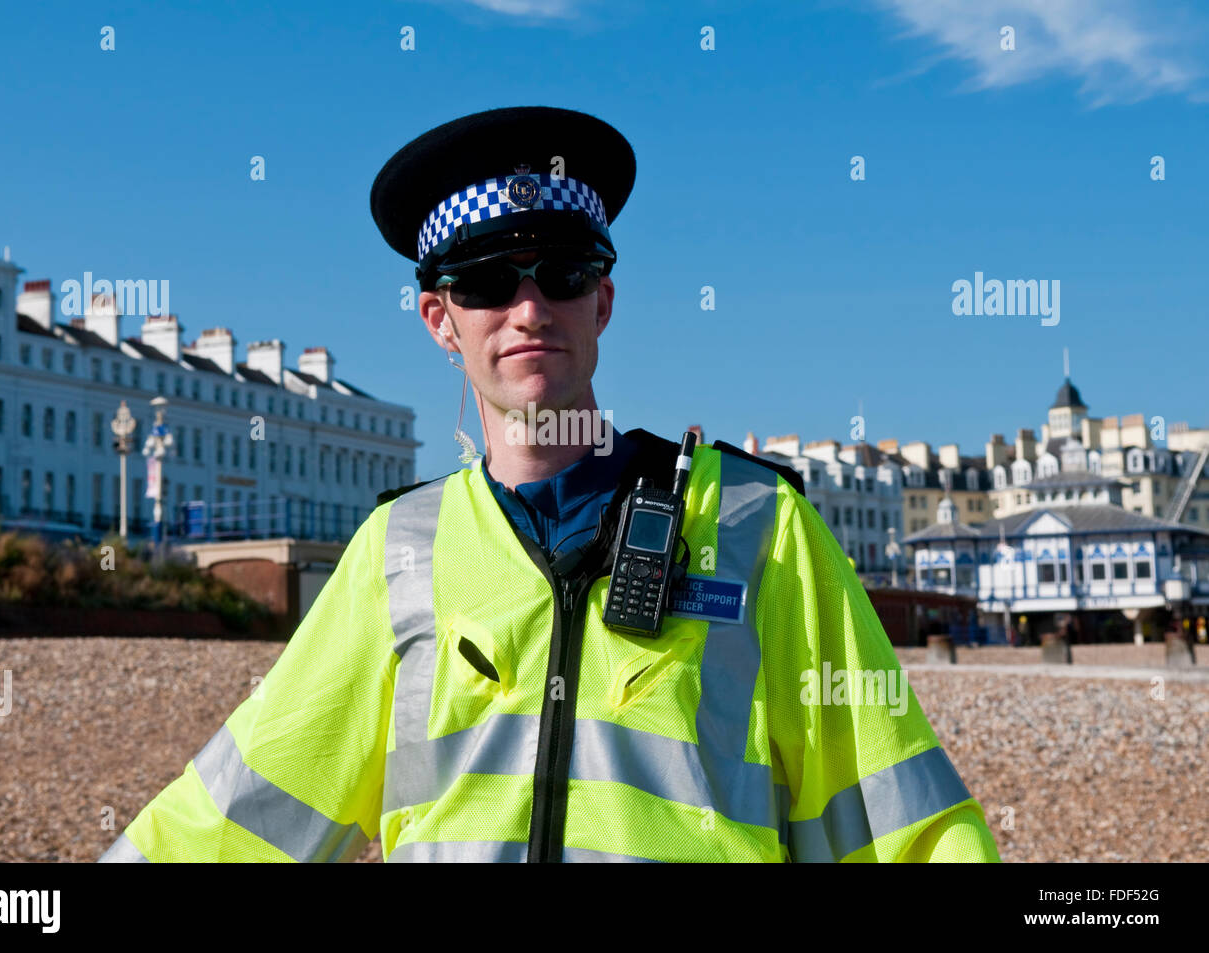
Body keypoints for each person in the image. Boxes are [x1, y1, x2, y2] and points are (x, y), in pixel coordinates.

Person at [100, 105, 999, 863]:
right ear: (439, 320)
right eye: (489, 282)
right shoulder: (399, 555)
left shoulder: (758, 525)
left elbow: (908, 827)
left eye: (563, 275)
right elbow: (238, 814)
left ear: (602, 301)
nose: (529, 308)